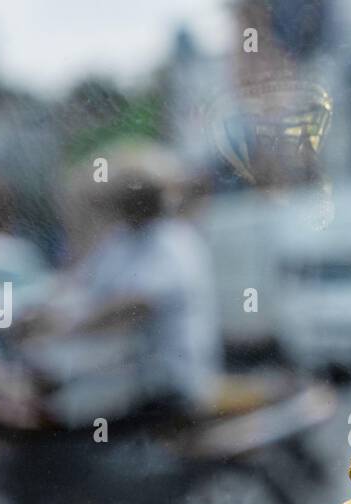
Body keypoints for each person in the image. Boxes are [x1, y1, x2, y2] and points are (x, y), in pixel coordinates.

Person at [34, 145, 223, 428]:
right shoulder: (122, 240)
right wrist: (40, 314)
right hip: (127, 374)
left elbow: (135, 306)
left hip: (166, 383)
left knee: (60, 416)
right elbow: (79, 286)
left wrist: (70, 326)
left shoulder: (174, 242)